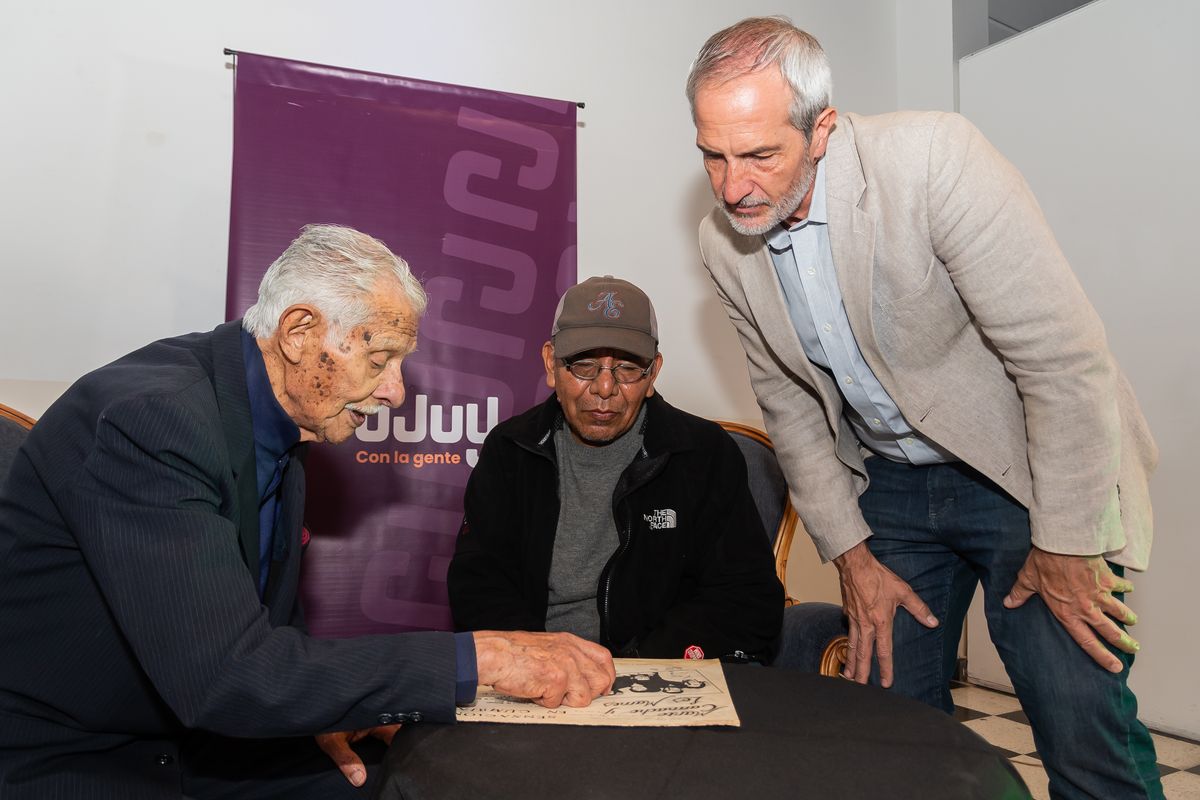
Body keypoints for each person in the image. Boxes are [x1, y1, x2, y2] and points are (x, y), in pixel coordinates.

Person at [686, 16, 1160, 799]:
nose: (735, 186)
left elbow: (1061, 359)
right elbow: (790, 406)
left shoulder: (935, 159)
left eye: (761, 154)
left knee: (1081, 719)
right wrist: (851, 554)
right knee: (890, 727)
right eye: (713, 156)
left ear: (823, 128)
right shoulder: (721, 241)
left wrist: (1071, 539)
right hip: (893, 482)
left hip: (1022, 465)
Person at [0, 224, 614, 799]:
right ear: (298, 333)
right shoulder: (153, 421)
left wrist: (327, 709)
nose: (395, 391)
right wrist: (483, 657)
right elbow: (224, 678)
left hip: (205, 739)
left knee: (425, 777)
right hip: (83, 757)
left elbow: (267, 635)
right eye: (380, 360)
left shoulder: (282, 421)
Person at [447, 276, 783, 662]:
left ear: (653, 373)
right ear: (551, 364)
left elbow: (745, 597)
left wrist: (637, 667)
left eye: (626, 368)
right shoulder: (510, 450)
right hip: (537, 673)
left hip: (660, 677)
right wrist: (538, 661)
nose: (605, 388)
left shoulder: (703, 455)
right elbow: (478, 584)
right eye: (584, 366)